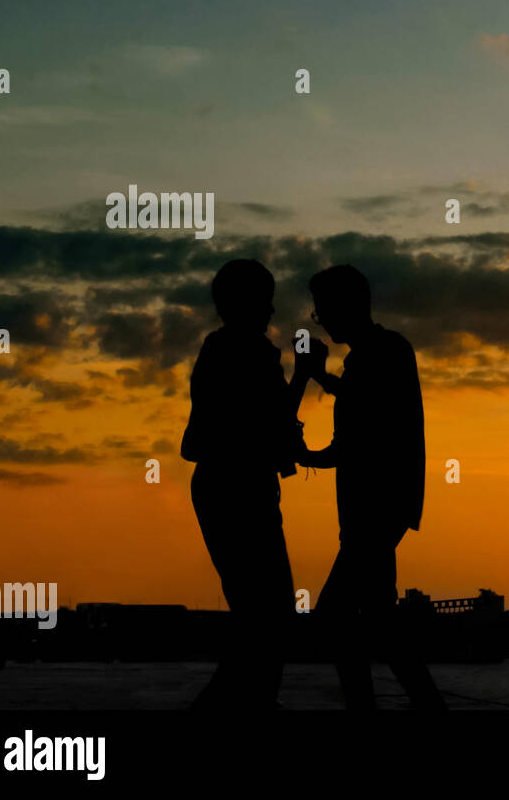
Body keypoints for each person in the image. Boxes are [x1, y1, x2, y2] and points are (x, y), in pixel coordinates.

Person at [295, 264, 444, 710]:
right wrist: (323, 379)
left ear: (347, 306)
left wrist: (308, 456)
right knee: (380, 620)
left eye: (324, 312)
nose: (323, 320)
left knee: (335, 616)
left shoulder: (376, 354)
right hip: (381, 510)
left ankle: (365, 707)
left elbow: (360, 438)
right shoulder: (381, 352)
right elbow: (365, 405)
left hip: (374, 513)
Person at [180, 259, 308, 709]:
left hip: (222, 487)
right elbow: (275, 422)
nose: (272, 311)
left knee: (259, 617)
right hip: (239, 490)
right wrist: (306, 373)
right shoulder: (249, 351)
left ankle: (245, 702)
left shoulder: (217, 348)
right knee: (269, 618)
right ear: (249, 304)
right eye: (266, 301)